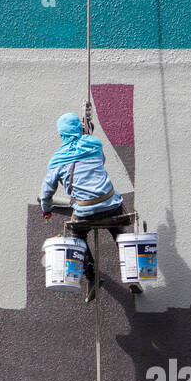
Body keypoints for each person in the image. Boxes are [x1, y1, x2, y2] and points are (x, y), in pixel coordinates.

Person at [39, 112, 141, 301]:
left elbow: (46, 193)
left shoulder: (57, 160)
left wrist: (46, 209)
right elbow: (101, 162)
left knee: (77, 239)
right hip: (111, 205)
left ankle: (92, 277)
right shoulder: (93, 144)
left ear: (61, 134)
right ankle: (132, 274)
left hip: (85, 212)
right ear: (79, 128)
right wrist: (87, 133)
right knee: (121, 234)